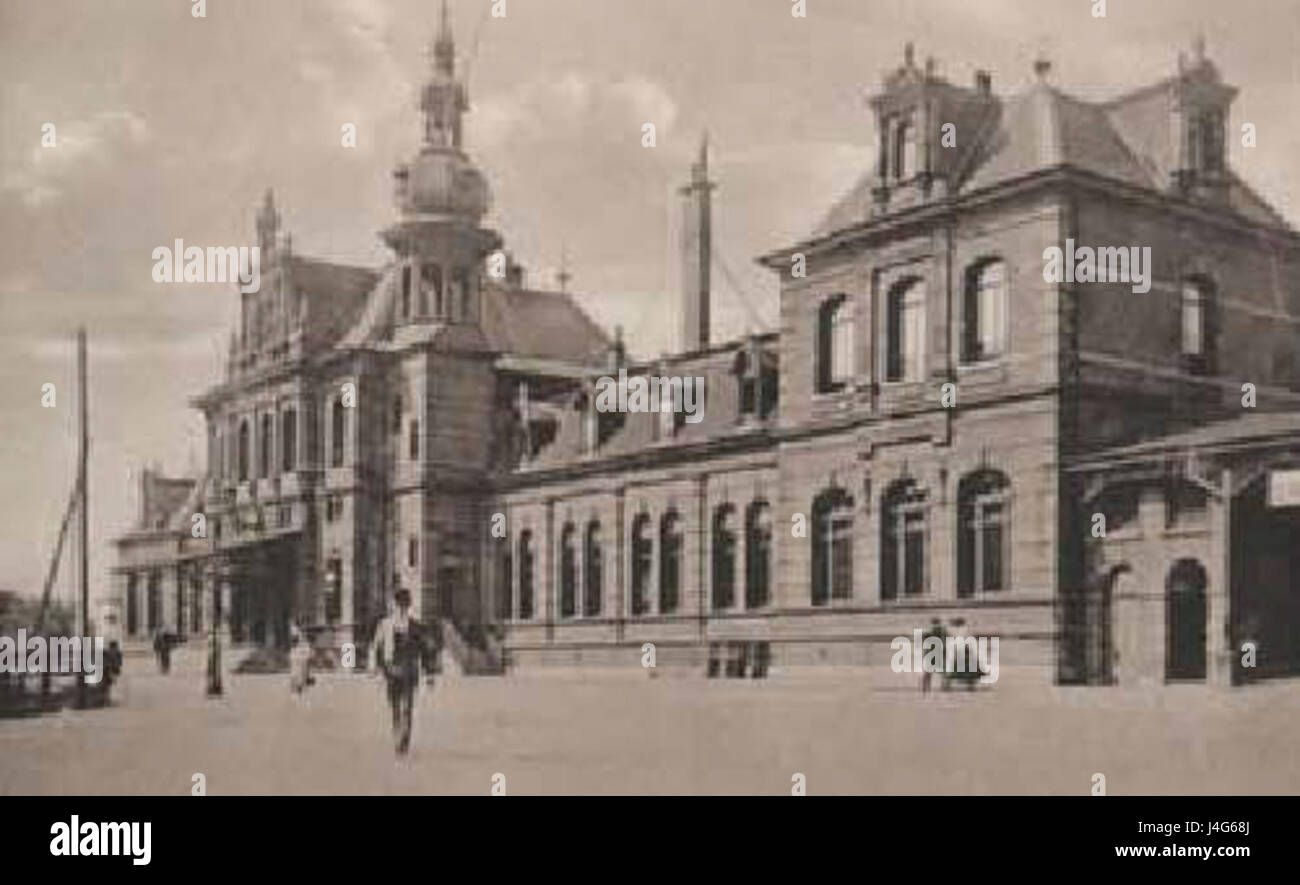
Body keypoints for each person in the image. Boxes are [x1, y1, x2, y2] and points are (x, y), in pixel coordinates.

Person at [371, 589, 430, 755]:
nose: (402, 609)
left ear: (408, 606)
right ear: (394, 605)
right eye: (399, 605)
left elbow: (424, 650)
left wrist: (428, 672)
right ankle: (397, 734)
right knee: (395, 706)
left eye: (405, 606)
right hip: (392, 670)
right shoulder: (385, 624)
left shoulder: (416, 626)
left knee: (407, 707)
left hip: (410, 670)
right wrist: (377, 668)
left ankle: (404, 738)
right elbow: (377, 647)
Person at [921, 617, 946, 695]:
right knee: (942, 672)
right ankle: (943, 687)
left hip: (930, 654)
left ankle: (925, 688)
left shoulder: (929, 633)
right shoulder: (942, 632)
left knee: (928, 673)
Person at [289, 622, 313, 695]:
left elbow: (307, 653)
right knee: (297, 672)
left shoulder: (303, 641)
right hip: (299, 658)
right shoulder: (299, 639)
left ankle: (300, 685)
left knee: (301, 672)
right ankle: (298, 687)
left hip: (301, 657)